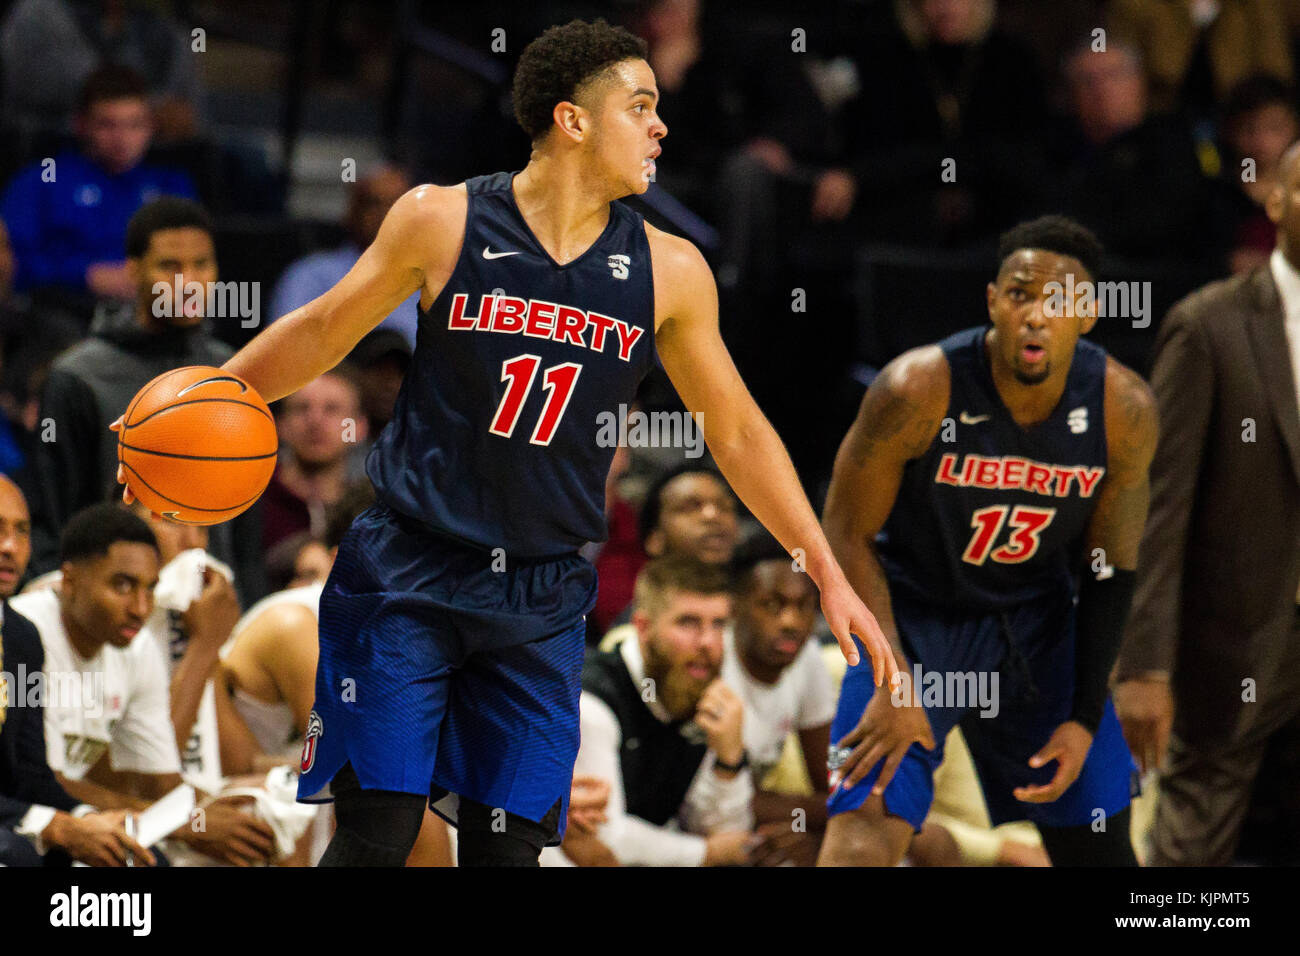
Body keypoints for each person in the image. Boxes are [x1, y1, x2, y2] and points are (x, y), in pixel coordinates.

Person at [177, 18, 895, 868]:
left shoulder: (671, 270)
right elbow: (322, 330)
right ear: (573, 120)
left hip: (542, 591)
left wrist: (824, 566)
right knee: (381, 832)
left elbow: (735, 429)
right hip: (410, 567)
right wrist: (203, 399)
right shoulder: (441, 219)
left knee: (508, 854)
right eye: (641, 106)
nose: (662, 126)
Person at [817, 215, 1158, 867]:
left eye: (1058, 301)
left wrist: (1085, 717)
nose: (1036, 314)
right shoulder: (916, 388)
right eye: (1021, 293)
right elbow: (844, 532)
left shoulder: (1124, 409)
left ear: (1087, 315)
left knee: (1099, 843)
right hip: (917, 619)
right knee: (863, 826)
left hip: (1036, 625)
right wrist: (892, 675)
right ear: (993, 302)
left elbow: (1110, 571)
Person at [1113, 140, 1300, 865]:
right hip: (1235, 643)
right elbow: (1160, 510)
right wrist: (1145, 665)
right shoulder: (1209, 325)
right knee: (1190, 853)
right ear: (1273, 201)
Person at [27, 196, 265, 605]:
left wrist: (247, 607)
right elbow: (54, 518)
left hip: (212, 605)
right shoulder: (77, 377)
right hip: (114, 610)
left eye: (202, 265)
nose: (189, 281)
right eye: (170, 266)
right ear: (133, 271)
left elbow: (246, 534)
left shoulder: (236, 372)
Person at [10, 503, 277, 866]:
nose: (139, 607)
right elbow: (43, 782)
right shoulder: (27, 632)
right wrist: (187, 825)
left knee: (266, 821)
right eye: (122, 586)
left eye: (150, 589)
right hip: (27, 822)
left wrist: (219, 804)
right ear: (68, 580)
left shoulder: (135, 643)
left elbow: (161, 781)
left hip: (84, 815)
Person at [0, 476, 153, 866]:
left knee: (133, 854)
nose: (9, 547)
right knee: (19, 856)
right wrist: (54, 825)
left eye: (21, 531)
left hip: (12, 819)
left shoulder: (21, 638)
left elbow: (30, 774)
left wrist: (90, 819)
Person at [567, 555, 754, 866]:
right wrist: (705, 853)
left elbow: (728, 837)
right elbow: (604, 840)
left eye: (719, 624)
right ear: (643, 627)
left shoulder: (707, 695)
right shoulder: (594, 701)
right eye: (688, 622)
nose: (707, 642)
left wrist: (729, 761)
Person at [0, 65, 197, 303]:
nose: (122, 138)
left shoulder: (171, 184)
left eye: (134, 125)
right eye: (107, 125)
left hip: (153, 310)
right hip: (62, 307)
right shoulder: (42, 180)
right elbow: (12, 260)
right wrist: (85, 275)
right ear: (81, 124)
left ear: (150, 127)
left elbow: (194, 259)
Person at [724, 532, 835, 866]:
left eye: (803, 607)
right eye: (772, 605)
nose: (791, 622)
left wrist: (814, 835)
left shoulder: (808, 658)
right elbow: (718, 802)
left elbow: (836, 786)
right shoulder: (710, 657)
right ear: (734, 606)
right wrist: (820, 814)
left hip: (759, 829)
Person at [270, 166, 420, 348]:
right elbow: (283, 349)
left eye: (397, 204)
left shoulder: (431, 280)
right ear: (352, 211)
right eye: (374, 203)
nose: (386, 214)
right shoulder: (310, 275)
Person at [260, 367, 369, 554]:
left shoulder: (371, 511)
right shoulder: (253, 502)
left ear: (357, 428)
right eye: (302, 408)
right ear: (281, 425)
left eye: (332, 409)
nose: (315, 420)